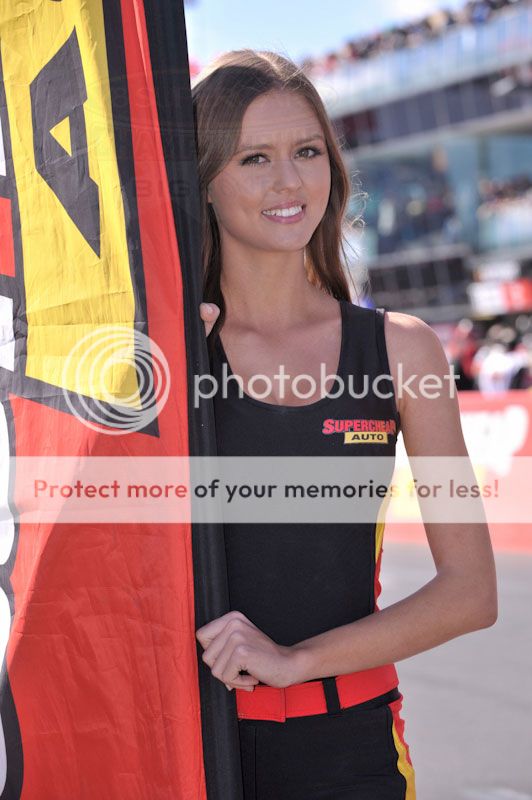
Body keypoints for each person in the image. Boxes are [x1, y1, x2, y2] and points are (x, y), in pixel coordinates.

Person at [191, 49, 498, 799]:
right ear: (202, 181)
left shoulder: (403, 350)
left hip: (351, 753)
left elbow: (470, 592)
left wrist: (296, 661)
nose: (289, 182)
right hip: (184, 751)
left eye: (307, 151)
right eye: (253, 159)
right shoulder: (165, 355)